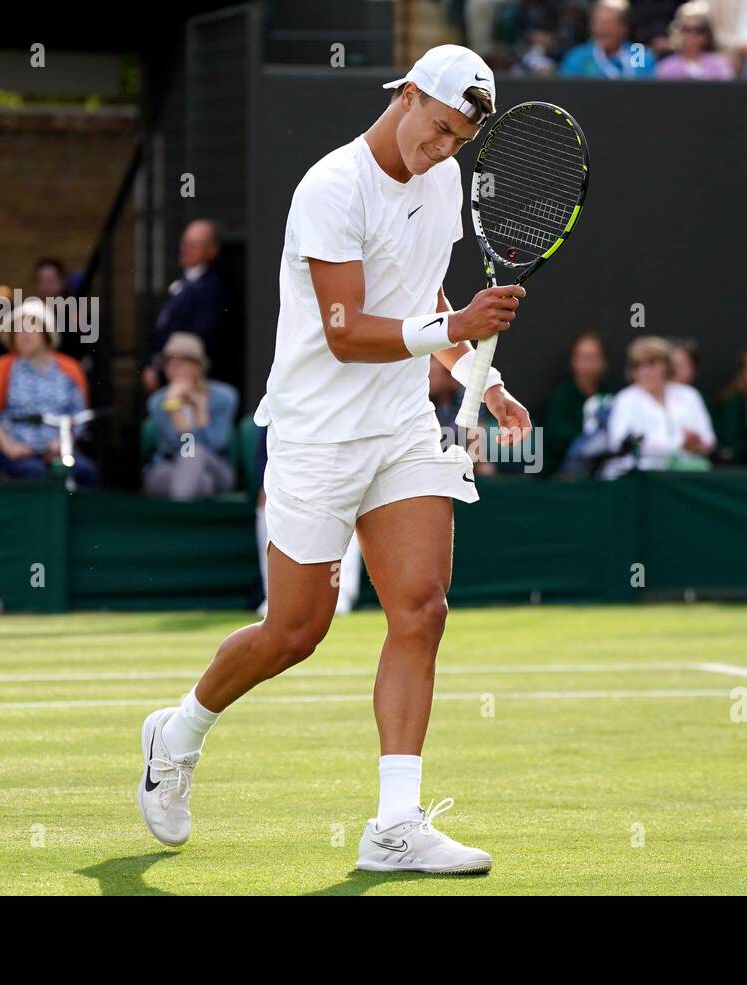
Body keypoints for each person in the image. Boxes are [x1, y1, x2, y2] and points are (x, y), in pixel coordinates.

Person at [135, 46, 531, 875]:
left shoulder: (445, 182)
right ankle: (176, 735)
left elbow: (420, 297)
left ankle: (394, 824)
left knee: (420, 608)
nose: (444, 149)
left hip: (398, 428)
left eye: (459, 139)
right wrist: (459, 329)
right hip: (315, 434)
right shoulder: (330, 187)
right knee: (295, 631)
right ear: (410, 96)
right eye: (441, 128)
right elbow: (349, 330)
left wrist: (481, 381)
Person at [0, 296, 99, 487]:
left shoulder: (69, 370)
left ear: (45, 332)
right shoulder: (3, 368)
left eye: (31, 327)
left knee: (86, 473)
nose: (24, 334)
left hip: (59, 452)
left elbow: (79, 417)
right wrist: (9, 446)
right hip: (17, 453)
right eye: (19, 329)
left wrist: (62, 444)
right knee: (33, 473)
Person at [600, 335, 716, 478]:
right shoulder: (625, 399)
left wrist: (698, 443)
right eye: (637, 365)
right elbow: (619, 442)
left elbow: (708, 440)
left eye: (651, 363)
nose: (644, 371)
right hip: (641, 478)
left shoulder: (689, 395)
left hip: (687, 476)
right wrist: (679, 444)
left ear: (667, 365)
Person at [142, 332, 239, 500]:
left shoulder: (225, 396)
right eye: (168, 365)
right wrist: (174, 407)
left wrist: (201, 408)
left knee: (194, 453)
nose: (171, 371)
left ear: (197, 366)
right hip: (170, 466)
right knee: (200, 482)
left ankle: (178, 516)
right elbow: (176, 448)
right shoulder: (158, 401)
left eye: (178, 364)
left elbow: (215, 445)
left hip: (215, 468)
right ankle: (186, 503)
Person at [143, 219, 225, 392]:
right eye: (185, 243)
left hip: (189, 378)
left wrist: (162, 372)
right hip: (165, 372)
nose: (186, 249)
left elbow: (200, 336)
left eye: (194, 245)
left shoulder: (213, 286)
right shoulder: (183, 280)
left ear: (212, 250)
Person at [542, 333, 612, 476]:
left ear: (603, 361)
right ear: (573, 361)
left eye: (592, 357)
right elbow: (558, 442)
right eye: (581, 357)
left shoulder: (612, 395)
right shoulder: (561, 397)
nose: (586, 362)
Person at [559, 0, 658, 77]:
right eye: (597, 23)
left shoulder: (641, 56)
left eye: (608, 24)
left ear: (624, 28)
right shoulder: (576, 57)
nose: (602, 29)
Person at [655, 2, 736, 79]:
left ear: (707, 34)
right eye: (686, 29)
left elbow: (728, 91)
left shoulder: (720, 65)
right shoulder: (667, 66)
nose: (692, 35)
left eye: (699, 30)